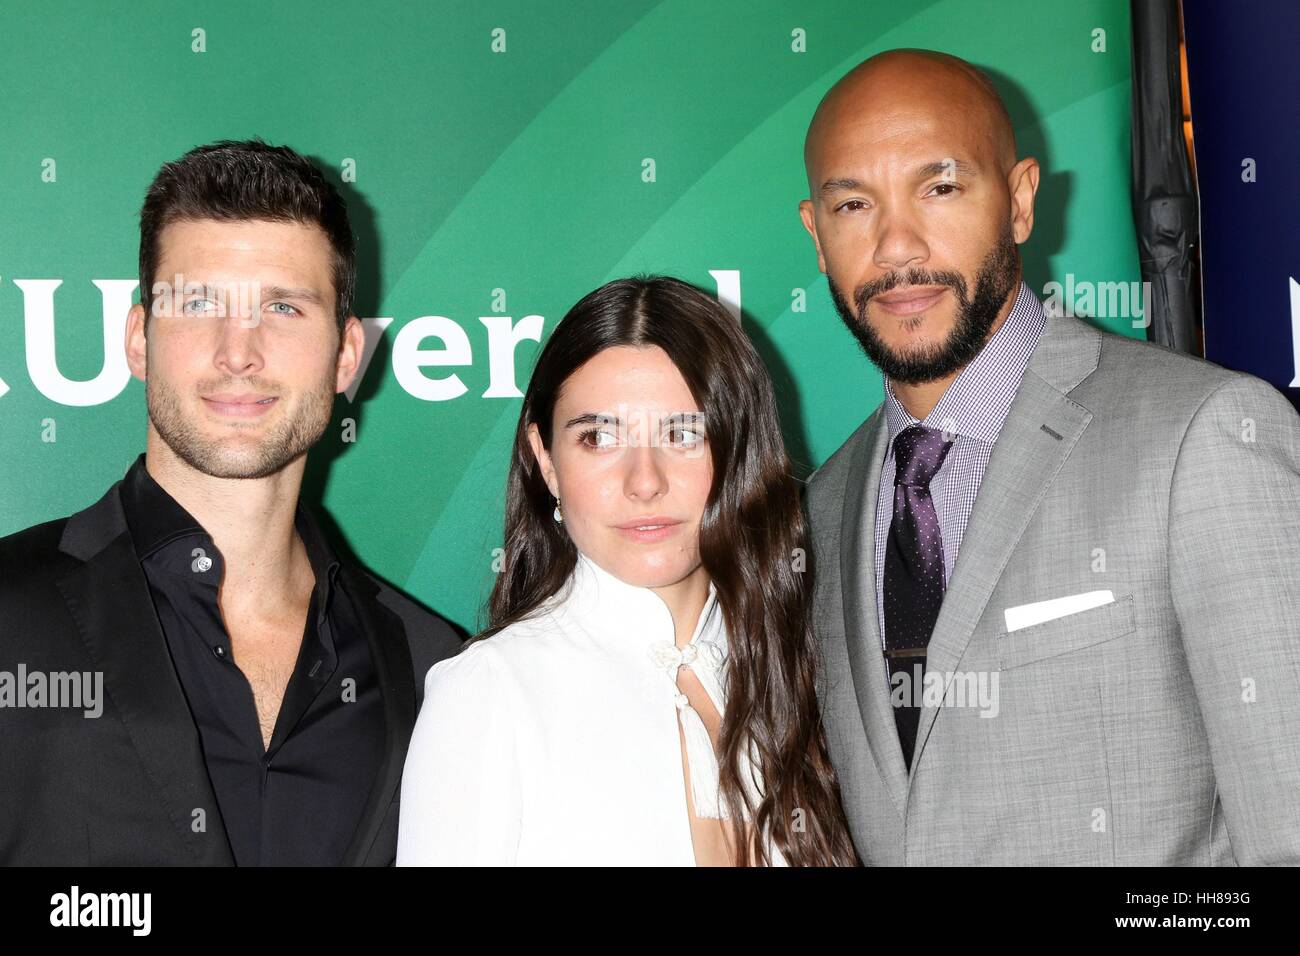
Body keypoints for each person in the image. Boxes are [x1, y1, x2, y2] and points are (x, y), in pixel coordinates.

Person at [800, 49, 1300, 864]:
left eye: (940, 187)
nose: (896, 245)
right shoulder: (822, 509)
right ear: (816, 234)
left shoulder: (1205, 436)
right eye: (853, 204)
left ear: (1022, 200)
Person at [0, 139, 460, 865]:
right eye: (199, 303)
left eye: (281, 306)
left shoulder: (434, 666)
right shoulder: (9, 615)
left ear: (345, 356)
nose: (237, 351)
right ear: (138, 339)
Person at [397, 276, 858, 866]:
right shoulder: (489, 691)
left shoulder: (797, 673)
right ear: (547, 462)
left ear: (738, 451)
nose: (645, 481)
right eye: (598, 437)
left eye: (683, 433)